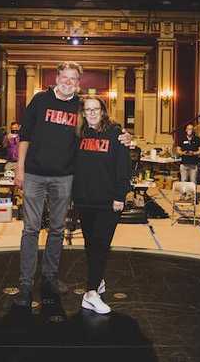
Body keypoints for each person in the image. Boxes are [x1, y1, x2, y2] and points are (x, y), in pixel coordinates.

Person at [12, 62, 131, 308]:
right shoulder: (40, 100)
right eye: (64, 77)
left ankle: (49, 278)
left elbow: (100, 124)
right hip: (34, 174)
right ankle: (25, 284)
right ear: (57, 78)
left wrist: (124, 136)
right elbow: (25, 136)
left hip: (64, 177)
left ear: (78, 83)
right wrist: (19, 169)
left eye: (73, 79)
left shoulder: (79, 106)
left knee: (57, 230)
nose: (68, 82)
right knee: (30, 229)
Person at [72, 96, 130, 314]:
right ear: (83, 113)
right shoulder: (78, 134)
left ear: (103, 111)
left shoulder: (116, 133)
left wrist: (120, 195)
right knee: (90, 244)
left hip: (108, 201)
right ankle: (97, 280)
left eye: (96, 109)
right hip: (84, 200)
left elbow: (123, 166)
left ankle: (90, 293)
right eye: (88, 110)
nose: (92, 113)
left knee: (101, 244)